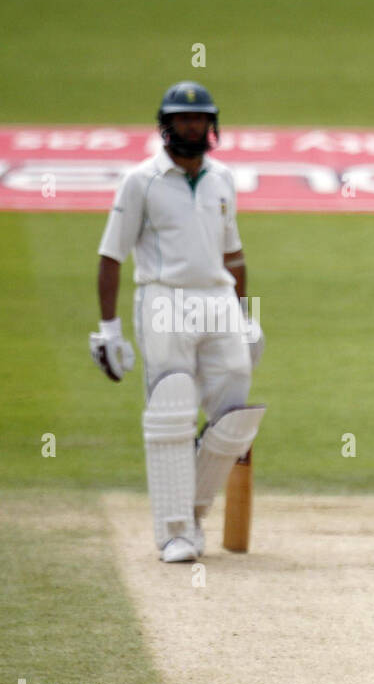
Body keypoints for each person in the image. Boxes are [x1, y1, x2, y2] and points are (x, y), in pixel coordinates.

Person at [92, 81, 265, 563]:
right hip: (163, 298)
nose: (193, 126)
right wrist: (108, 329)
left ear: (212, 124)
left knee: (234, 411)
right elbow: (111, 256)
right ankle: (175, 533)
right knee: (171, 408)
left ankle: (191, 510)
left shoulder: (223, 178)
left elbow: (234, 255)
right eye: (183, 119)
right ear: (165, 125)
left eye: (200, 119)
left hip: (218, 299)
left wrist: (248, 318)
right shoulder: (140, 180)